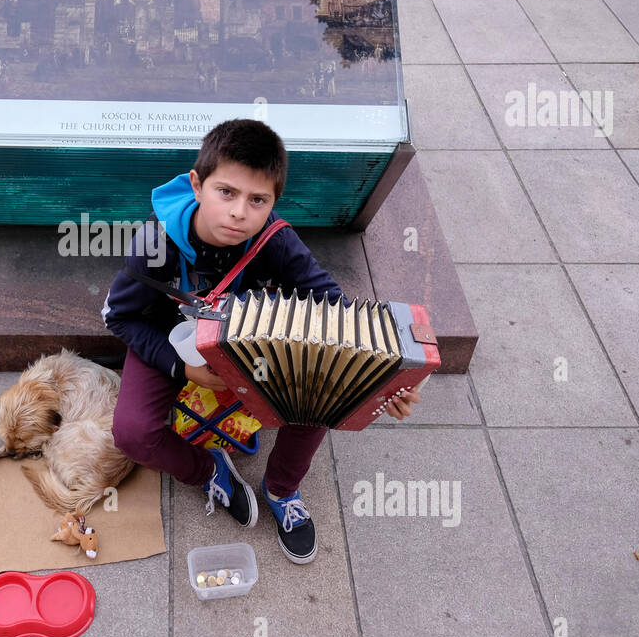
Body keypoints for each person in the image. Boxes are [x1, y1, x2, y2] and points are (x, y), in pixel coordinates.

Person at [101, 119, 419, 564]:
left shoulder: (275, 240)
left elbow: (337, 311)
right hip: (170, 342)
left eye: (257, 200)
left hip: (247, 345)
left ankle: (281, 488)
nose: (238, 212)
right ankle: (211, 470)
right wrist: (182, 369)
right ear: (197, 184)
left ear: (273, 202)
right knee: (132, 434)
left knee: (322, 386)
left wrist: (390, 379)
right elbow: (121, 318)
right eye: (226, 192)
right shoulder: (155, 244)